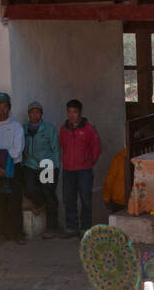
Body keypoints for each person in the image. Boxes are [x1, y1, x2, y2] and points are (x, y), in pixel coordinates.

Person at [0, 92, 26, 244]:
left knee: (15, 201)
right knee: (0, 202)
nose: (2, 110)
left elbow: (17, 149)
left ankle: (18, 233)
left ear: (9, 108)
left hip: (13, 167)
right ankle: (3, 232)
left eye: (5, 107)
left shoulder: (16, 126)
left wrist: (5, 165)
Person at [59, 99, 102, 239]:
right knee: (68, 198)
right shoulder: (63, 129)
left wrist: (88, 162)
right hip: (68, 170)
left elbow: (96, 148)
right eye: (69, 112)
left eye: (75, 112)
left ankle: (85, 228)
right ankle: (72, 227)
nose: (72, 115)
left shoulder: (89, 129)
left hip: (84, 170)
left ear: (80, 113)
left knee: (85, 199)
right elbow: (62, 146)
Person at [21, 101, 61, 239]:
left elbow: (56, 149)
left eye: (37, 112)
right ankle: (40, 202)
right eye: (32, 112)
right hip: (30, 164)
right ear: (28, 114)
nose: (34, 114)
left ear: (41, 114)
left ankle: (52, 227)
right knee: (29, 188)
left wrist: (55, 167)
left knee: (49, 192)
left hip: (47, 164)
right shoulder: (24, 129)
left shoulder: (49, 129)